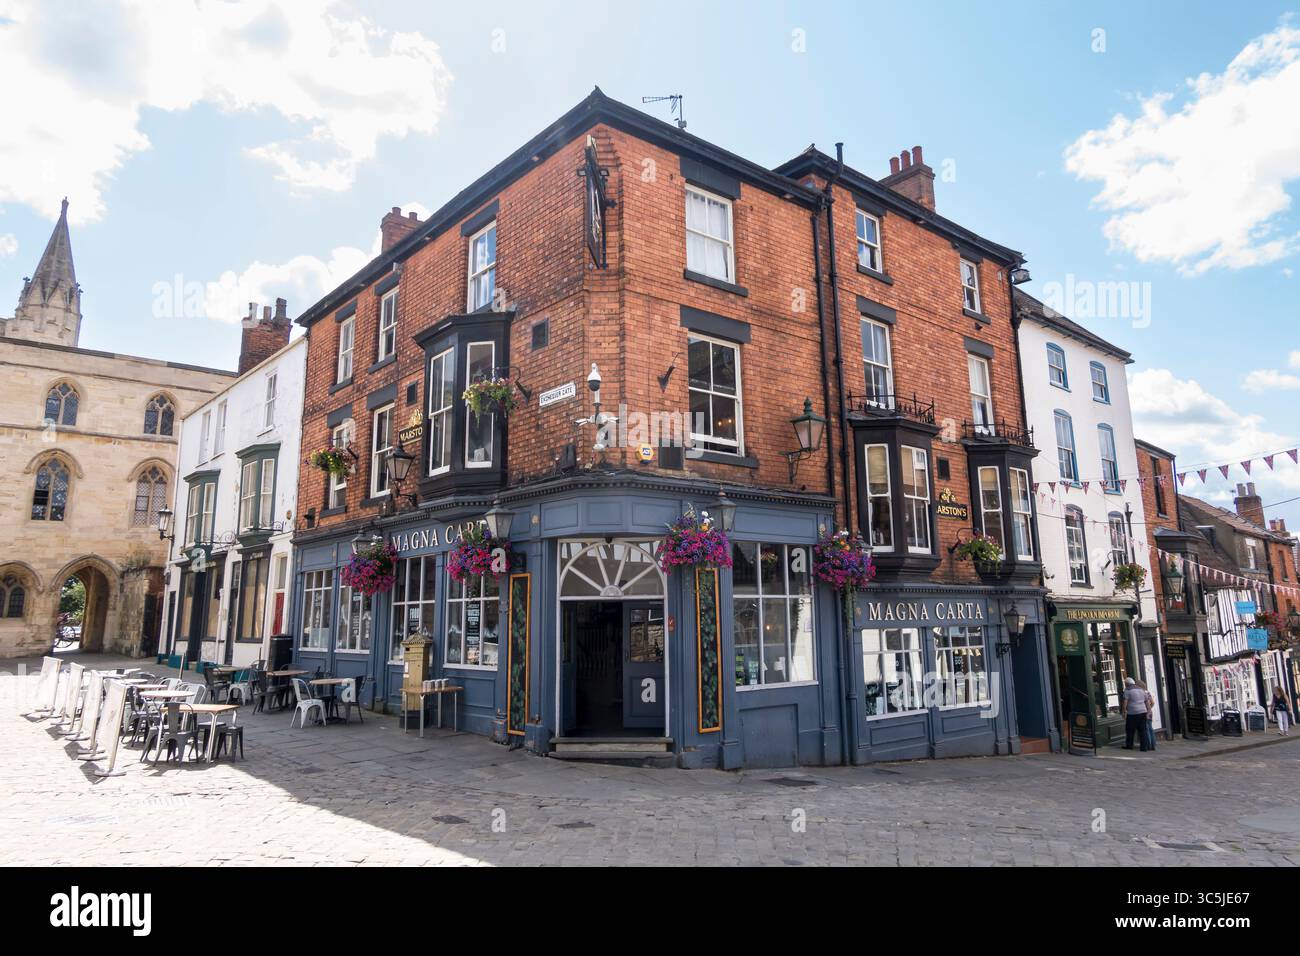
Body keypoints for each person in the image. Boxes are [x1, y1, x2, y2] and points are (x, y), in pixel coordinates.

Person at [1120, 677, 1150, 751]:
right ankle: (1144, 747)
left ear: (1127, 684)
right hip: (1143, 712)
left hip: (1132, 713)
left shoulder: (1127, 690)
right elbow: (1146, 701)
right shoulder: (1141, 690)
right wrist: (1148, 710)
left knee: (1130, 730)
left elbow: (1125, 702)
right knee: (1143, 730)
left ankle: (1129, 745)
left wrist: (1124, 711)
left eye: (1125, 684)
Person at [1136, 678, 1157, 750]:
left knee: (1146, 729)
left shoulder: (1140, 693)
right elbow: (1153, 702)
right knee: (1150, 728)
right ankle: (1153, 745)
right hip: (1150, 712)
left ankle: (1148, 745)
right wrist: (1149, 709)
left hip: (1143, 712)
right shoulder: (1147, 692)